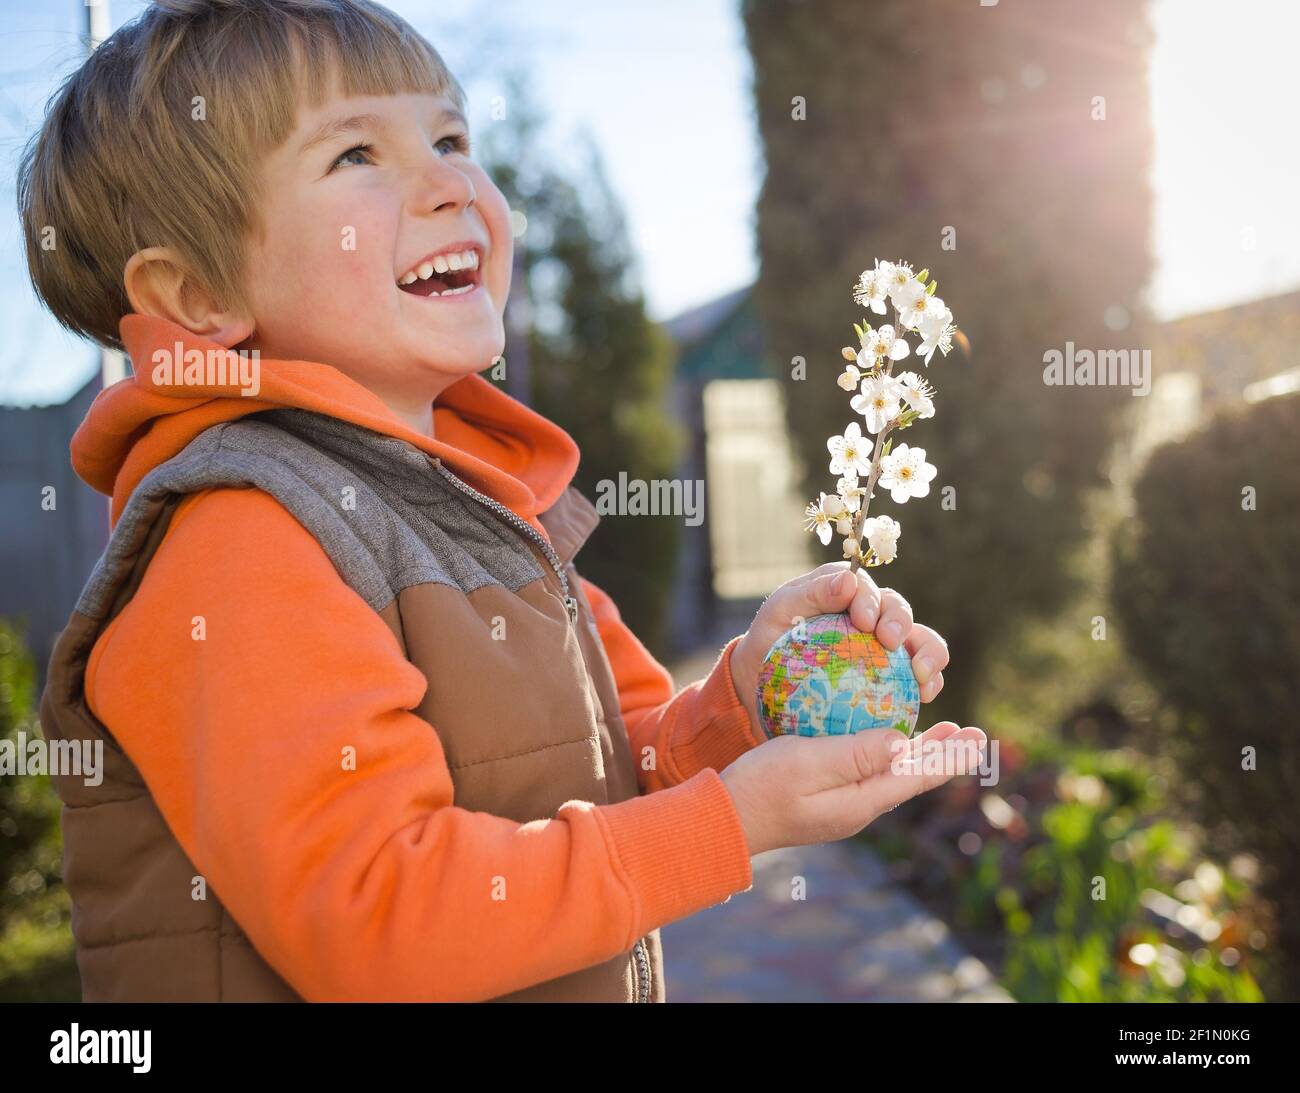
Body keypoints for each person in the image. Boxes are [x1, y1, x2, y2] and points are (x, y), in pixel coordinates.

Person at [23, 0, 984, 1002]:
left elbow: (628, 761)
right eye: (356, 155)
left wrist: (753, 694)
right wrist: (733, 824)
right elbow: (379, 920)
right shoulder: (238, 540)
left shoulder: (486, 514)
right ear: (194, 300)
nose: (450, 183)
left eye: (449, 137)